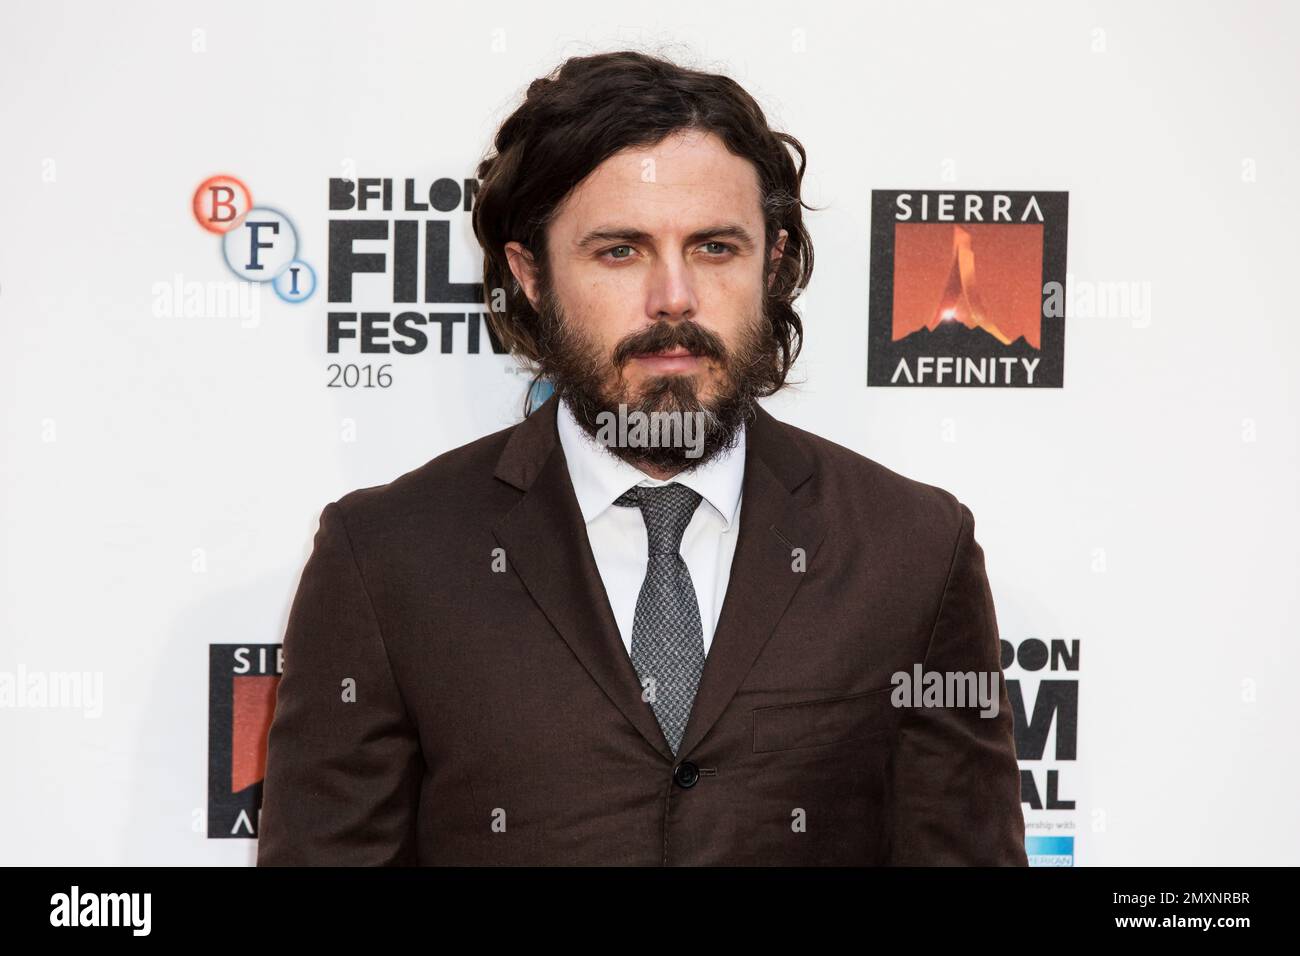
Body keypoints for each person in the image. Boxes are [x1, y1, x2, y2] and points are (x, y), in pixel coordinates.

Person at [257, 49, 1026, 865]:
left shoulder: (911, 547)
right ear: (531, 274)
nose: (673, 298)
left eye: (715, 248)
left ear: (773, 262)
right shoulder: (387, 557)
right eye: (619, 250)